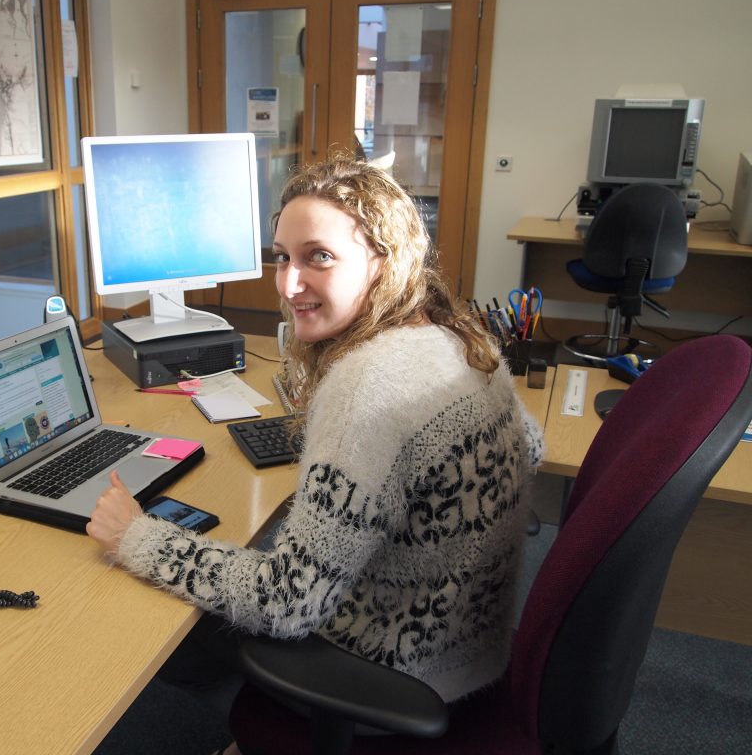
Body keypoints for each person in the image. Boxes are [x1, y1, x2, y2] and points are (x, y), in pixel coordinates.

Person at [87, 153, 545, 736]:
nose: (287, 283)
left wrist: (136, 536)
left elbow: (287, 602)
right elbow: (529, 446)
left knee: (156, 621)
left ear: (384, 262)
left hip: (388, 674)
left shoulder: (367, 385)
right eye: (282, 257)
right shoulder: (458, 334)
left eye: (319, 258)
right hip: (472, 645)